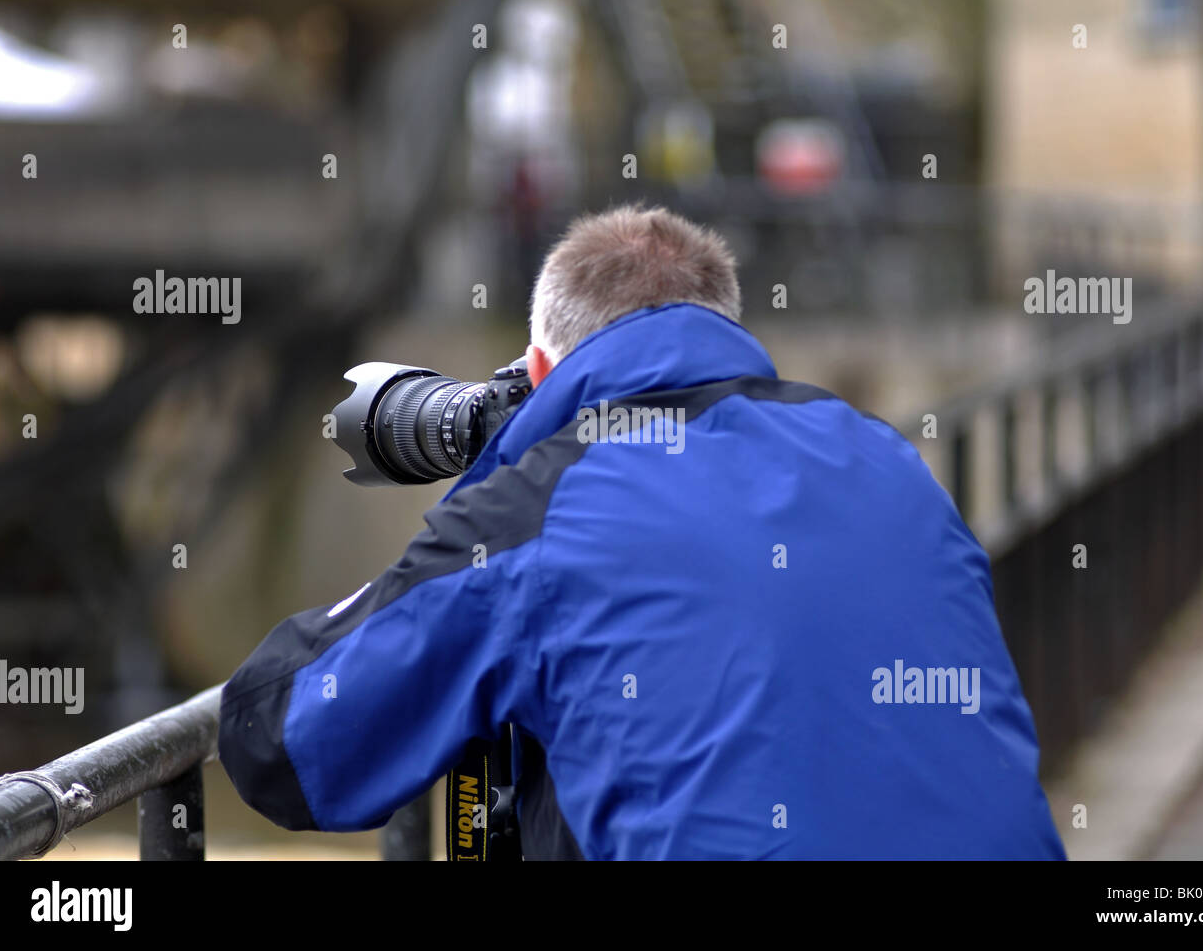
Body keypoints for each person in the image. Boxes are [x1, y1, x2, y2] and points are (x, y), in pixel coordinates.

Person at [219, 204, 1066, 860]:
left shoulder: (546, 505)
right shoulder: (882, 455)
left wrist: (494, 483)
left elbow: (280, 740)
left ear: (542, 369)